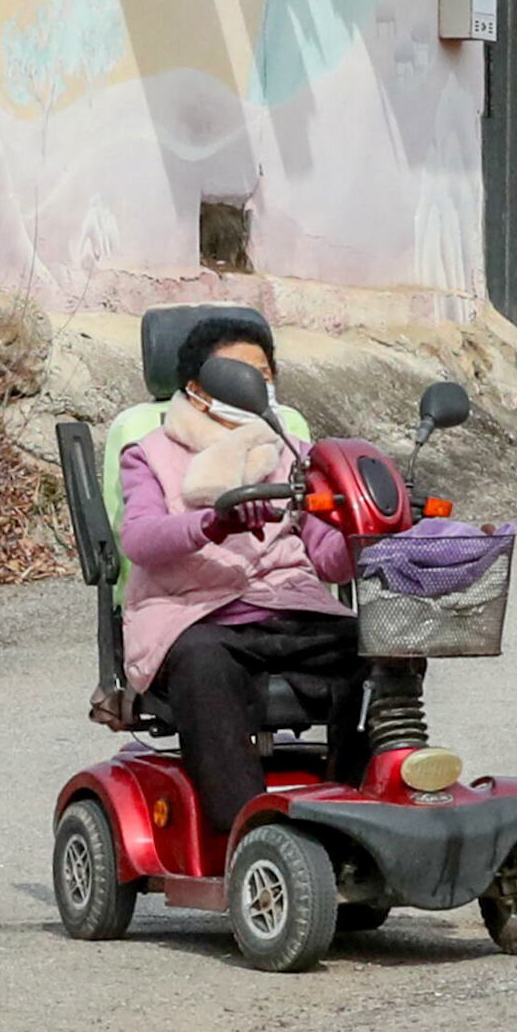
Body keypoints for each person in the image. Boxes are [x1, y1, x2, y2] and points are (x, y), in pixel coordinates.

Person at [115, 314, 367, 835]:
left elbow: (325, 555)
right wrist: (211, 523)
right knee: (203, 661)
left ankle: (357, 807)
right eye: (238, 376)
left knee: (383, 644)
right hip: (195, 616)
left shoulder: (293, 454)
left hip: (289, 609)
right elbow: (139, 539)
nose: (257, 386)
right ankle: (246, 833)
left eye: (264, 374)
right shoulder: (151, 454)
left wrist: (366, 536)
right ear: (197, 388)